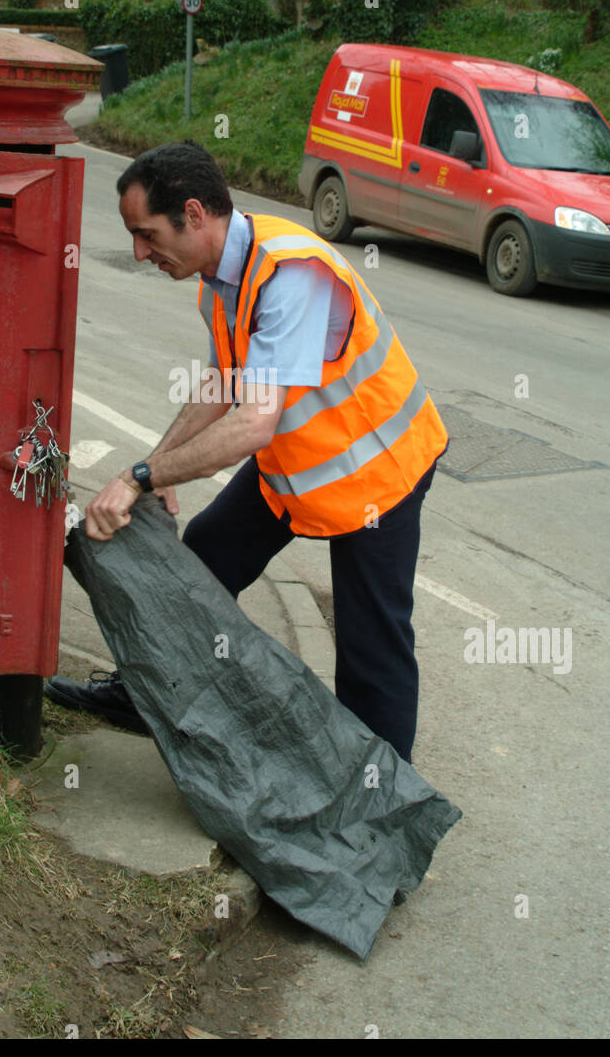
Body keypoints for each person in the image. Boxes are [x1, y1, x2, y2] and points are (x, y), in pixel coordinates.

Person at [46, 142, 448, 762]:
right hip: (299, 466)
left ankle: (383, 805)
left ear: (195, 213)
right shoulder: (221, 280)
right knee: (204, 555)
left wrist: (138, 477)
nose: (139, 253)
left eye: (147, 234)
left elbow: (253, 425)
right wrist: (160, 466)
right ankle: (144, 694)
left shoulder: (290, 276)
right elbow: (221, 385)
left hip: (377, 471)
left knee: (372, 643)